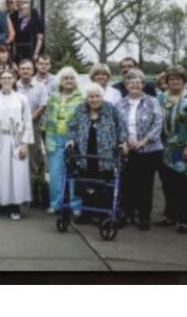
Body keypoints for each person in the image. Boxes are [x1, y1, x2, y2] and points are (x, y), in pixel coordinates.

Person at [65, 82, 127, 220]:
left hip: (105, 153)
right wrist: (71, 139)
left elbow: (121, 127)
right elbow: (72, 127)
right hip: (85, 152)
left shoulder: (111, 109)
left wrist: (123, 142)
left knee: (103, 183)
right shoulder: (81, 109)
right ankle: (87, 213)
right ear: (86, 98)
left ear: (102, 96)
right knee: (86, 181)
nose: (94, 99)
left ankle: (103, 214)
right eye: (91, 96)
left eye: (97, 96)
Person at [0, 68, 34, 220]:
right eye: (3, 78)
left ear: (14, 79)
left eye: (9, 77)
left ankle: (15, 206)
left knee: (16, 173)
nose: (6, 80)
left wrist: (25, 144)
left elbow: (27, 121)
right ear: (0, 80)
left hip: (16, 139)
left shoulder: (22, 99)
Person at [157, 65, 187, 233]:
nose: (175, 81)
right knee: (167, 184)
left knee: (183, 185)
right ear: (167, 82)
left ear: (183, 81)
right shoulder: (160, 98)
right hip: (164, 148)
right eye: (171, 79)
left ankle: (184, 218)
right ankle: (170, 215)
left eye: (178, 79)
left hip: (183, 149)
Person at [119, 69, 163, 229]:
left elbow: (157, 124)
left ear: (143, 85)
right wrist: (124, 142)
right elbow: (117, 126)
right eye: (131, 82)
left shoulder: (152, 102)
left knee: (145, 185)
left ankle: (144, 216)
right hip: (127, 150)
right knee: (127, 184)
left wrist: (143, 141)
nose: (134, 85)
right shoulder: (120, 103)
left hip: (148, 150)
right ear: (126, 85)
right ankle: (126, 214)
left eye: (138, 82)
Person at [43, 67, 84, 213]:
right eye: (65, 78)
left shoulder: (81, 97)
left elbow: (83, 122)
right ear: (60, 81)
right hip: (54, 138)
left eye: (71, 78)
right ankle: (55, 204)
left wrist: (75, 138)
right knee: (55, 174)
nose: (69, 81)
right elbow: (47, 118)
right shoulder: (53, 96)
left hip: (73, 140)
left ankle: (76, 206)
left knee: (74, 174)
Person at [16, 58, 49, 207]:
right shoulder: (14, 85)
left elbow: (42, 107)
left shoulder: (40, 87)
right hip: (14, 127)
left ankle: (32, 196)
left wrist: (27, 120)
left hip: (33, 126)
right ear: (19, 70)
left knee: (33, 161)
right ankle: (18, 194)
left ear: (33, 70)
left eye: (28, 69)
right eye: (22, 69)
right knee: (17, 158)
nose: (25, 71)